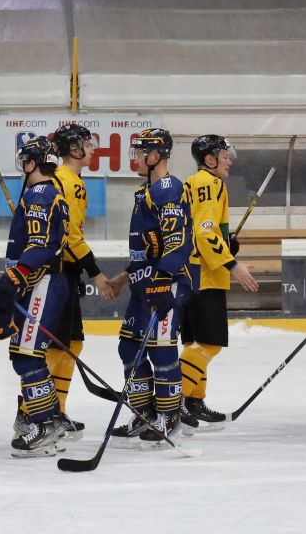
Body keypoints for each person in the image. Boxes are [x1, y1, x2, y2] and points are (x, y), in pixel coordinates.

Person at [107, 128, 193, 448]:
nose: (136, 157)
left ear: (156, 156)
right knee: (128, 347)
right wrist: (125, 276)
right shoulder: (145, 191)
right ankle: (144, 411)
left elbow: (178, 243)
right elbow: (148, 247)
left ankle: (170, 414)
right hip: (143, 284)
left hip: (164, 285)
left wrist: (161, 281)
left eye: (141, 151)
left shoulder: (169, 189)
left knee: (160, 349)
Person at [0, 135, 70, 456]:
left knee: (27, 357)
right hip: (35, 281)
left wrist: (19, 273)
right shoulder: (48, 193)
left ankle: (44, 425)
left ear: (33, 163)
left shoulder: (39, 192)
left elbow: (40, 245)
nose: (22, 166)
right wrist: (15, 272)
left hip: (42, 283)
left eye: (25, 160)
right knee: (22, 355)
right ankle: (48, 418)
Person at [179, 135, 260, 430]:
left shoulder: (194, 181)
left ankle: (193, 402)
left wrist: (227, 244)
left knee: (194, 342)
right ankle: (172, 401)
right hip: (204, 274)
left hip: (191, 271)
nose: (229, 160)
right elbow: (204, 231)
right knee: (209, 344)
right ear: (209, 159)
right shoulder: (210, 183)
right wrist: (232, 264)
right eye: (224, 155)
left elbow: (201, 229)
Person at [46, 123, 115, 439]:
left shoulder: (69, 180)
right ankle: (37, 412)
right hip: (57, 272)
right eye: (88, 143)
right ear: (74, 148)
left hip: (67, 271)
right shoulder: (68, 182)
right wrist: (97, 273)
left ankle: (56, 411)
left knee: (72, 342)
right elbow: (70, 235)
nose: (93, 148)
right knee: (57, 345)